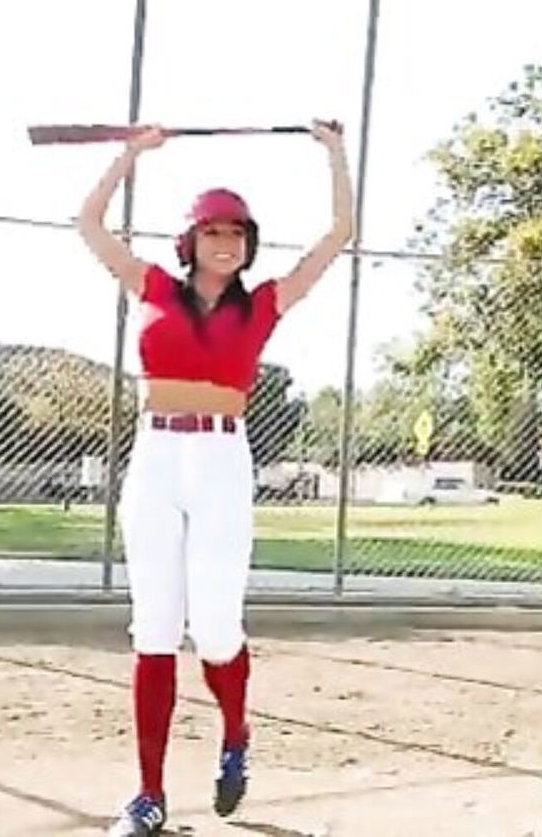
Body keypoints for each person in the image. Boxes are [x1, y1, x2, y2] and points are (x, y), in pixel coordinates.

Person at [76, 119, 352, 836]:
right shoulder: (153, 286)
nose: (224, 242)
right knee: (155, 629)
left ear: (247, 243)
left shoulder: (263, 303)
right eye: (212, 231)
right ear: (191, 239)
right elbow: (89, 223)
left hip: (223, 461)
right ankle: (148, 795)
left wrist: (335, 154)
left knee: (218, 629)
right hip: (156, 458)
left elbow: (339, 234)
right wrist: (129, 155)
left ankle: (236, 733)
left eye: (236, 233)